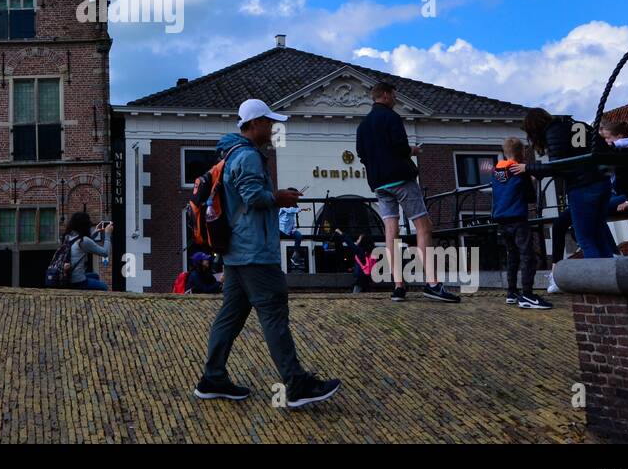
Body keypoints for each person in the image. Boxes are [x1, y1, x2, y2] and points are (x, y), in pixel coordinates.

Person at [195, 98, 341, 408]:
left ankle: (213, 377)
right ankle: (297, 383)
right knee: (274, 315)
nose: (274, 128)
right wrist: (280, 198)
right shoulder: (247, 157)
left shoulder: (230, 154)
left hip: (236, 252)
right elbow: (252, 197)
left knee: (230, 317)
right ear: (256, 123)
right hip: (255, 254)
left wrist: (274, 196)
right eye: (270, 123)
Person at [355, 81, 460, 303]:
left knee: (390, 231)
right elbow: (400, 147)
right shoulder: (392, 118)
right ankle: (432, 283)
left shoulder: (362, 126)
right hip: (400, 179)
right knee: (423, 226)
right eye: (394, 95)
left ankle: (398, 286)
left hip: (378, 184)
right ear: (385, 95)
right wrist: (411, 150)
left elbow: (362, 154)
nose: (396, 99)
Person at [511, 108, 619, 265]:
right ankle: (610, 276)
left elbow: (558, 166)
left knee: (585, 238)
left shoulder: (553, 132)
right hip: (602, 182)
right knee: (599, 234)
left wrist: (527, 168)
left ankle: (599, 280)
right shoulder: (572, 126)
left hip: (582, 186)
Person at [491, 137, 550, 309]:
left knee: (512, 254)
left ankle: (511, 292)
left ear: (505, 152)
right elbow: (530, 197)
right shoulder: (520, 171)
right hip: (517, 217)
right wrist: (531, 180)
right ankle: (527, 294)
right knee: (527, 255)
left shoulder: (495, 171)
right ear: (522, 153)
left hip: (501, 219)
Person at [62, 210, 114, 290]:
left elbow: (82, 244)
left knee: (95, 276)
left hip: (67, 276)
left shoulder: (68, 237)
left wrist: (95, 233)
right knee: (104, 287)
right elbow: (105, 253)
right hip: (77, 281)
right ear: (84, 226)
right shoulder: (84, 240)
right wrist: (107, 234)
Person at [278, 204, 308, 271]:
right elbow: (290, 210)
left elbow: (292, 222)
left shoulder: (292, 213)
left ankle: (295, 256)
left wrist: (293, 229)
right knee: (274, 237)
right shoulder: (283, 207)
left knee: (299, 236)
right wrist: (301, 209)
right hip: (281, 230)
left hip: (289, 231)